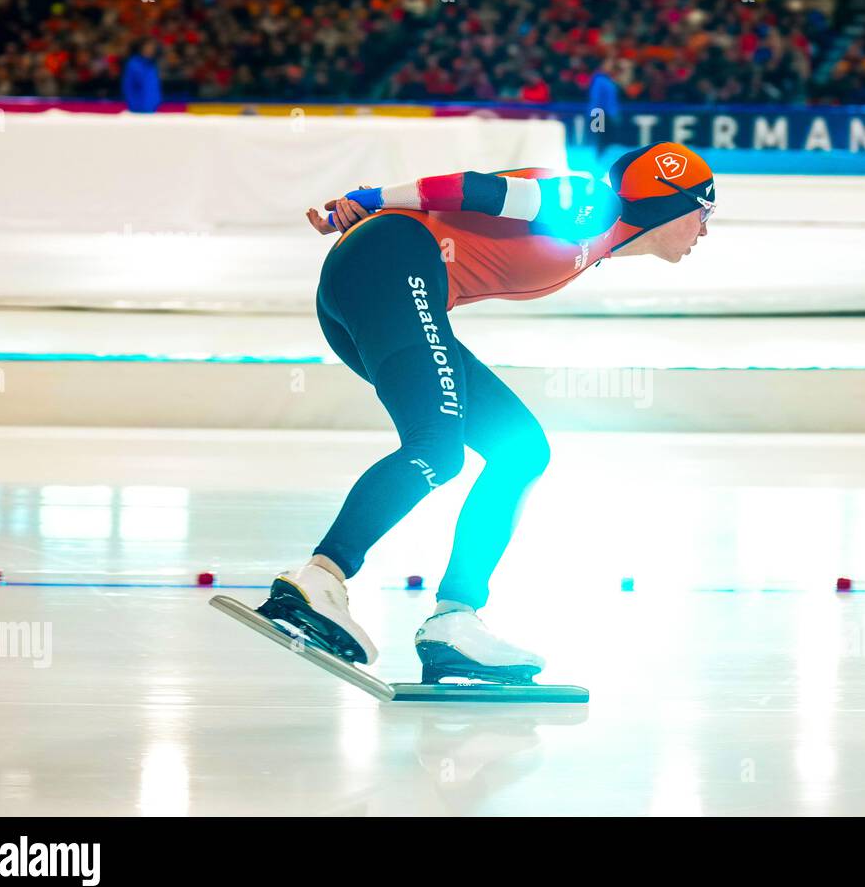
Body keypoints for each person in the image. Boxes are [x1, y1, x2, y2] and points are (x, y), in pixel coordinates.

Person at [258, 143, 716, 683]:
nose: (704, 232)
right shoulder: (591, 205)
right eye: (703, 214)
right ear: (672, 204)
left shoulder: (600, 239)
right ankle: (319, 579)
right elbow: (475, 188)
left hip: (379, 279)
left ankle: (455, 622)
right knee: (437, 448)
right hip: (386, 265)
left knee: (520, 450)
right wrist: (373, 197)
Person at [121, 41, 161, 113]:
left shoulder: (152, 65)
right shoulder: (133, 64)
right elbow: (128, 86)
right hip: (137, 108)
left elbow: (154, 87)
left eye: (152, 48)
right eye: (148, 48)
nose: (151, 50)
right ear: (142, 49)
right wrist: (133, 105)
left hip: (152, 108)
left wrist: (156, 102)